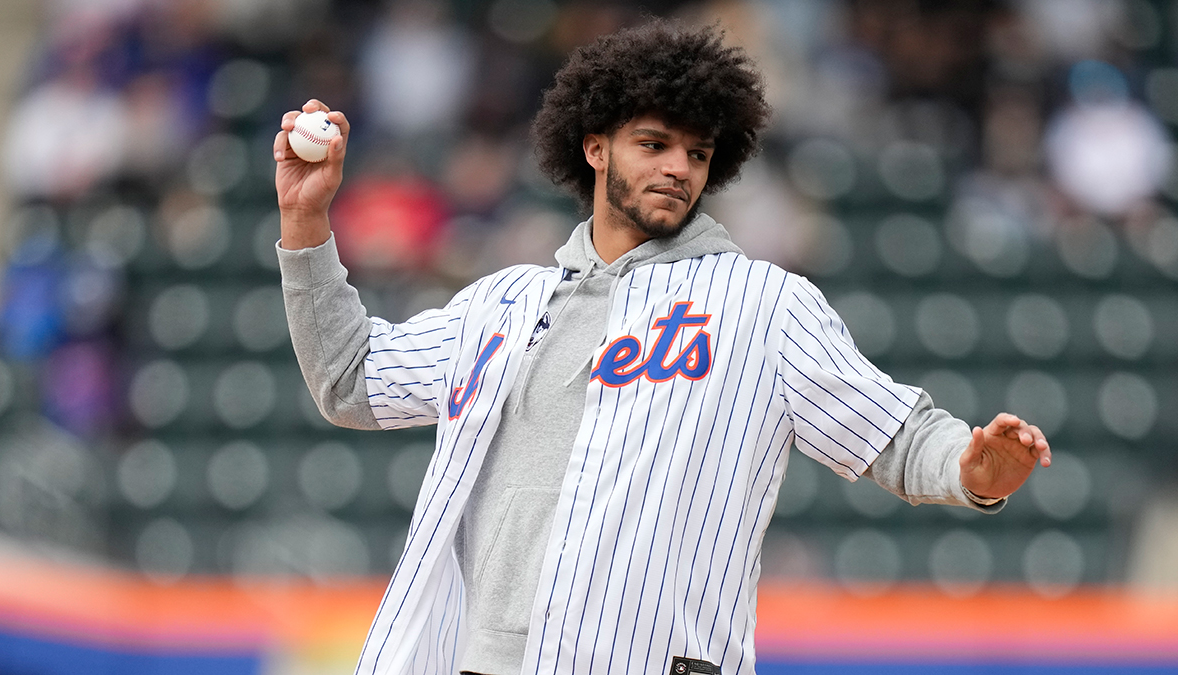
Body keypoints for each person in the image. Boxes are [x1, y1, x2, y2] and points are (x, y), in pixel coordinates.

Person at [273, 20, 1051, 675]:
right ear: (595, 148)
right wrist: (306, 225)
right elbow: (351, 378)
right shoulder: (500, 303)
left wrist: (973, 468)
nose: (679, 166)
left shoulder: (760, 303)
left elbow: (898, 435)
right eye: (654, 143)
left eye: (699, 152)